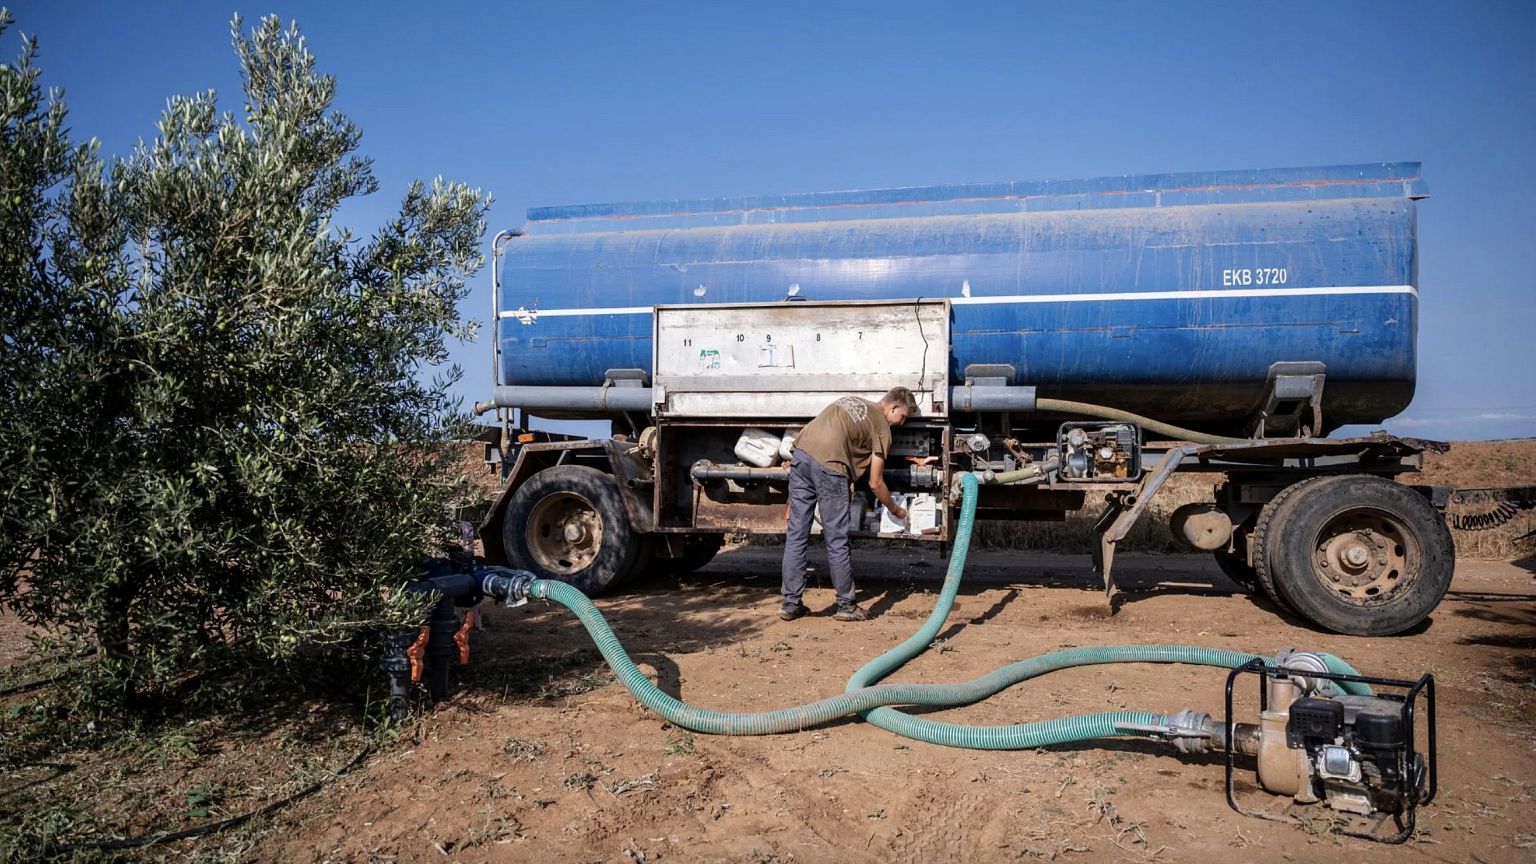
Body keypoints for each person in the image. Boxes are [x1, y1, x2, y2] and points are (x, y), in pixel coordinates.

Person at [780, 386, 918, 621]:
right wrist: (896, 510)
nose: (902, 423)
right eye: (903, 416)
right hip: (831, 467)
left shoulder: (852, 400)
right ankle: (846, 605)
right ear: (893, 407)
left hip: (801, 457)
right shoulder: (882, 427)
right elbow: (876, 483)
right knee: (836, 539)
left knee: (796, 535)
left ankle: (790, 604)